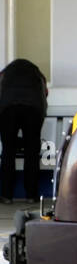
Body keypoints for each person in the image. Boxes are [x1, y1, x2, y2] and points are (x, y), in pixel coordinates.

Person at [0, 58, 48, 203]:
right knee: (32, 151)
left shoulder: (5, 73)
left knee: (8, 150)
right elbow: (45, 93)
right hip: (33, 108)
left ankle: (6, 195)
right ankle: (31, 195)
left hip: (8, 108)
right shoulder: (38, 74)